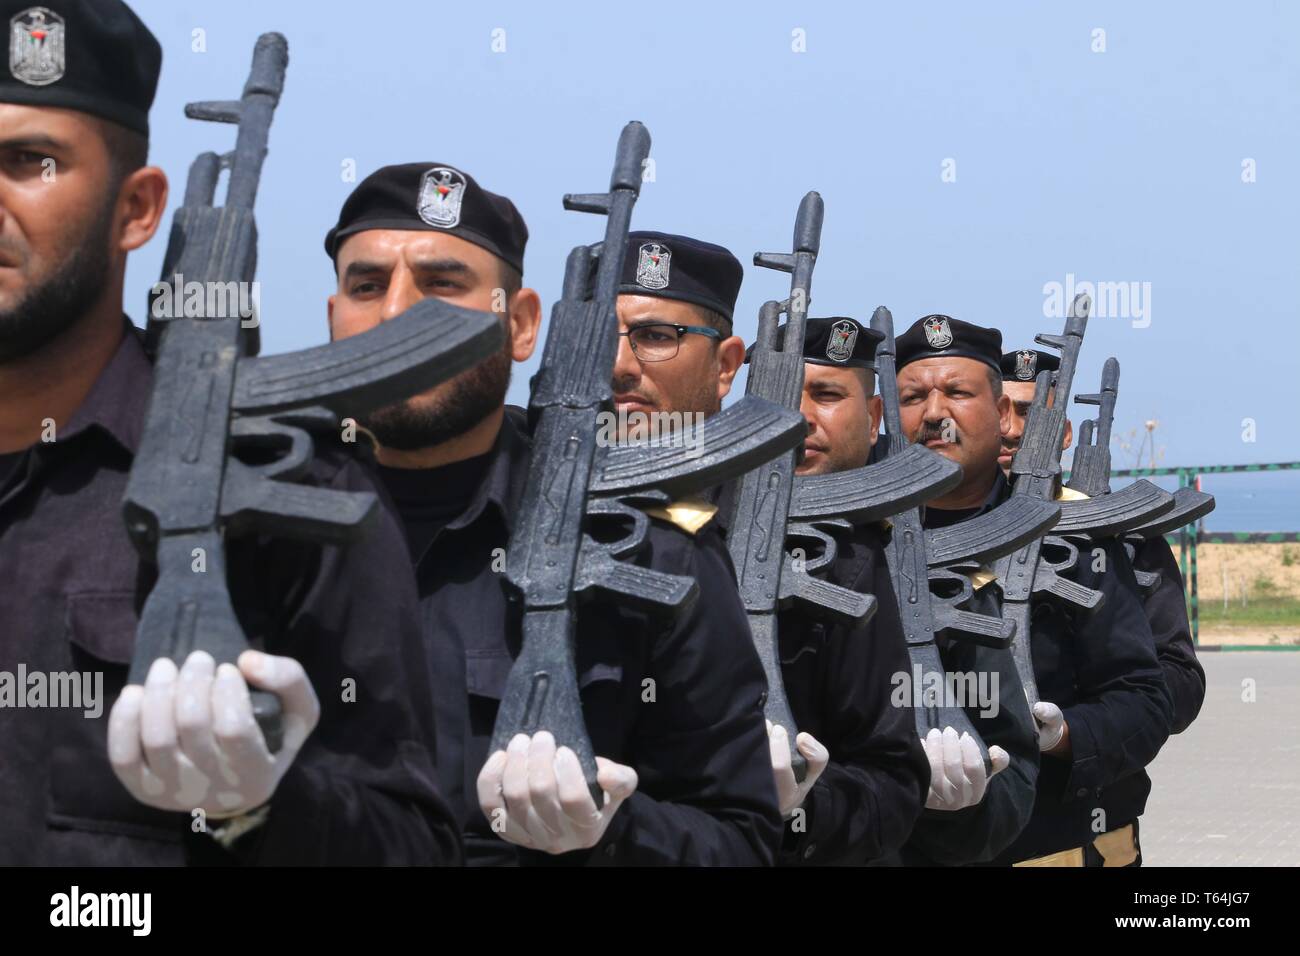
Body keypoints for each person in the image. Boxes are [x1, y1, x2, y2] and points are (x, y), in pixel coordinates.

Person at [0, 0, 460, 864]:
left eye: (30, 161)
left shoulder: (301, 494)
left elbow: (416, 844)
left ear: (137, 210)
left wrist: (263, 804)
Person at [325, 168, 782, 865]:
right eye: (366, 286)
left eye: (444, 285)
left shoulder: (649, 552)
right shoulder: (250, 533)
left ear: (521, 324)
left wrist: (611, 835)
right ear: (333, 315)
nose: (398, 315)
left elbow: (741, 841)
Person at [613, 232, 930, 865]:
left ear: (727, 367)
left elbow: (892, 780)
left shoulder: (831, 554)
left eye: (656, 337)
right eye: (606, 336)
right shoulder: (526, 516)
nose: (622, 365)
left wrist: (803, 806)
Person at [895, 315, 1172, 867]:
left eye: (957, 392)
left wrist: (1064, 734)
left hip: (1048, 847)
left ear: (1000, 415)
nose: (934, 414)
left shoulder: (1073, 541)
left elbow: (1145, 697)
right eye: (913, 396)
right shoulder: (862, 543)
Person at [1000, 347, 1205, 864]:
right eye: (997, 410)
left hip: (1087, 836)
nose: (1009, 429)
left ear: (1065, 433)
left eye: (1028, 412)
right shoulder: (944, 532)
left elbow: (1179, 679)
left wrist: (1084, 719)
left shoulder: (1120, 536)